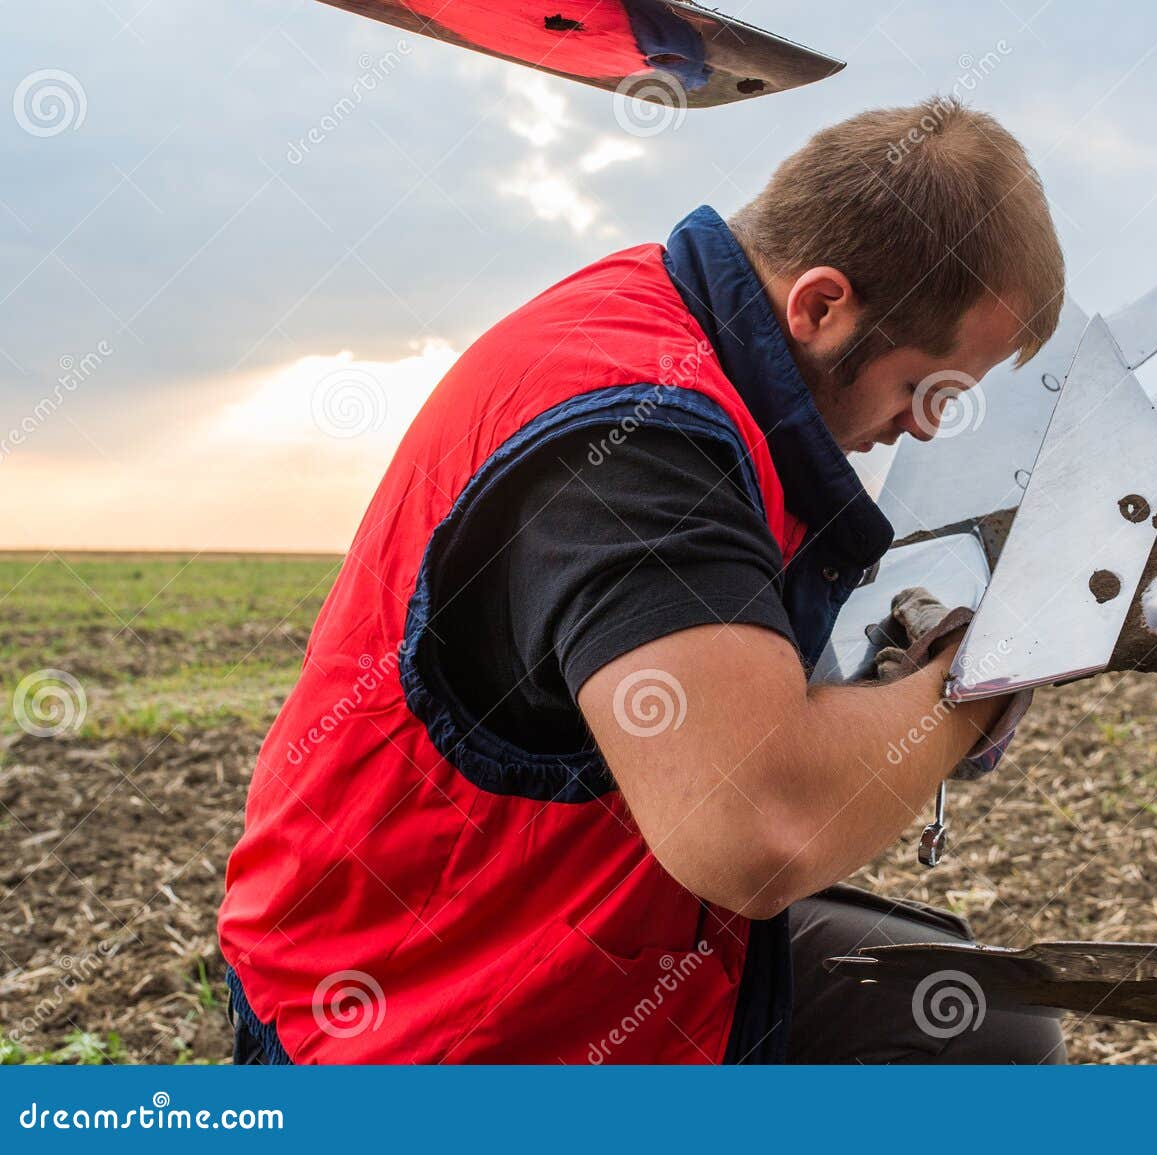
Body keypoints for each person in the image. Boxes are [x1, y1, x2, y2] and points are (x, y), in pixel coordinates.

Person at [218, 97, 1068, 1064]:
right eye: (934, 386)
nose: (929, 426)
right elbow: (758, 829)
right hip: (427, 1003)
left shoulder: (675, 327)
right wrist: (972, 687)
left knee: (984, 1025)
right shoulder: (640, 445)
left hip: (580, 929)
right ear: (823, 304)